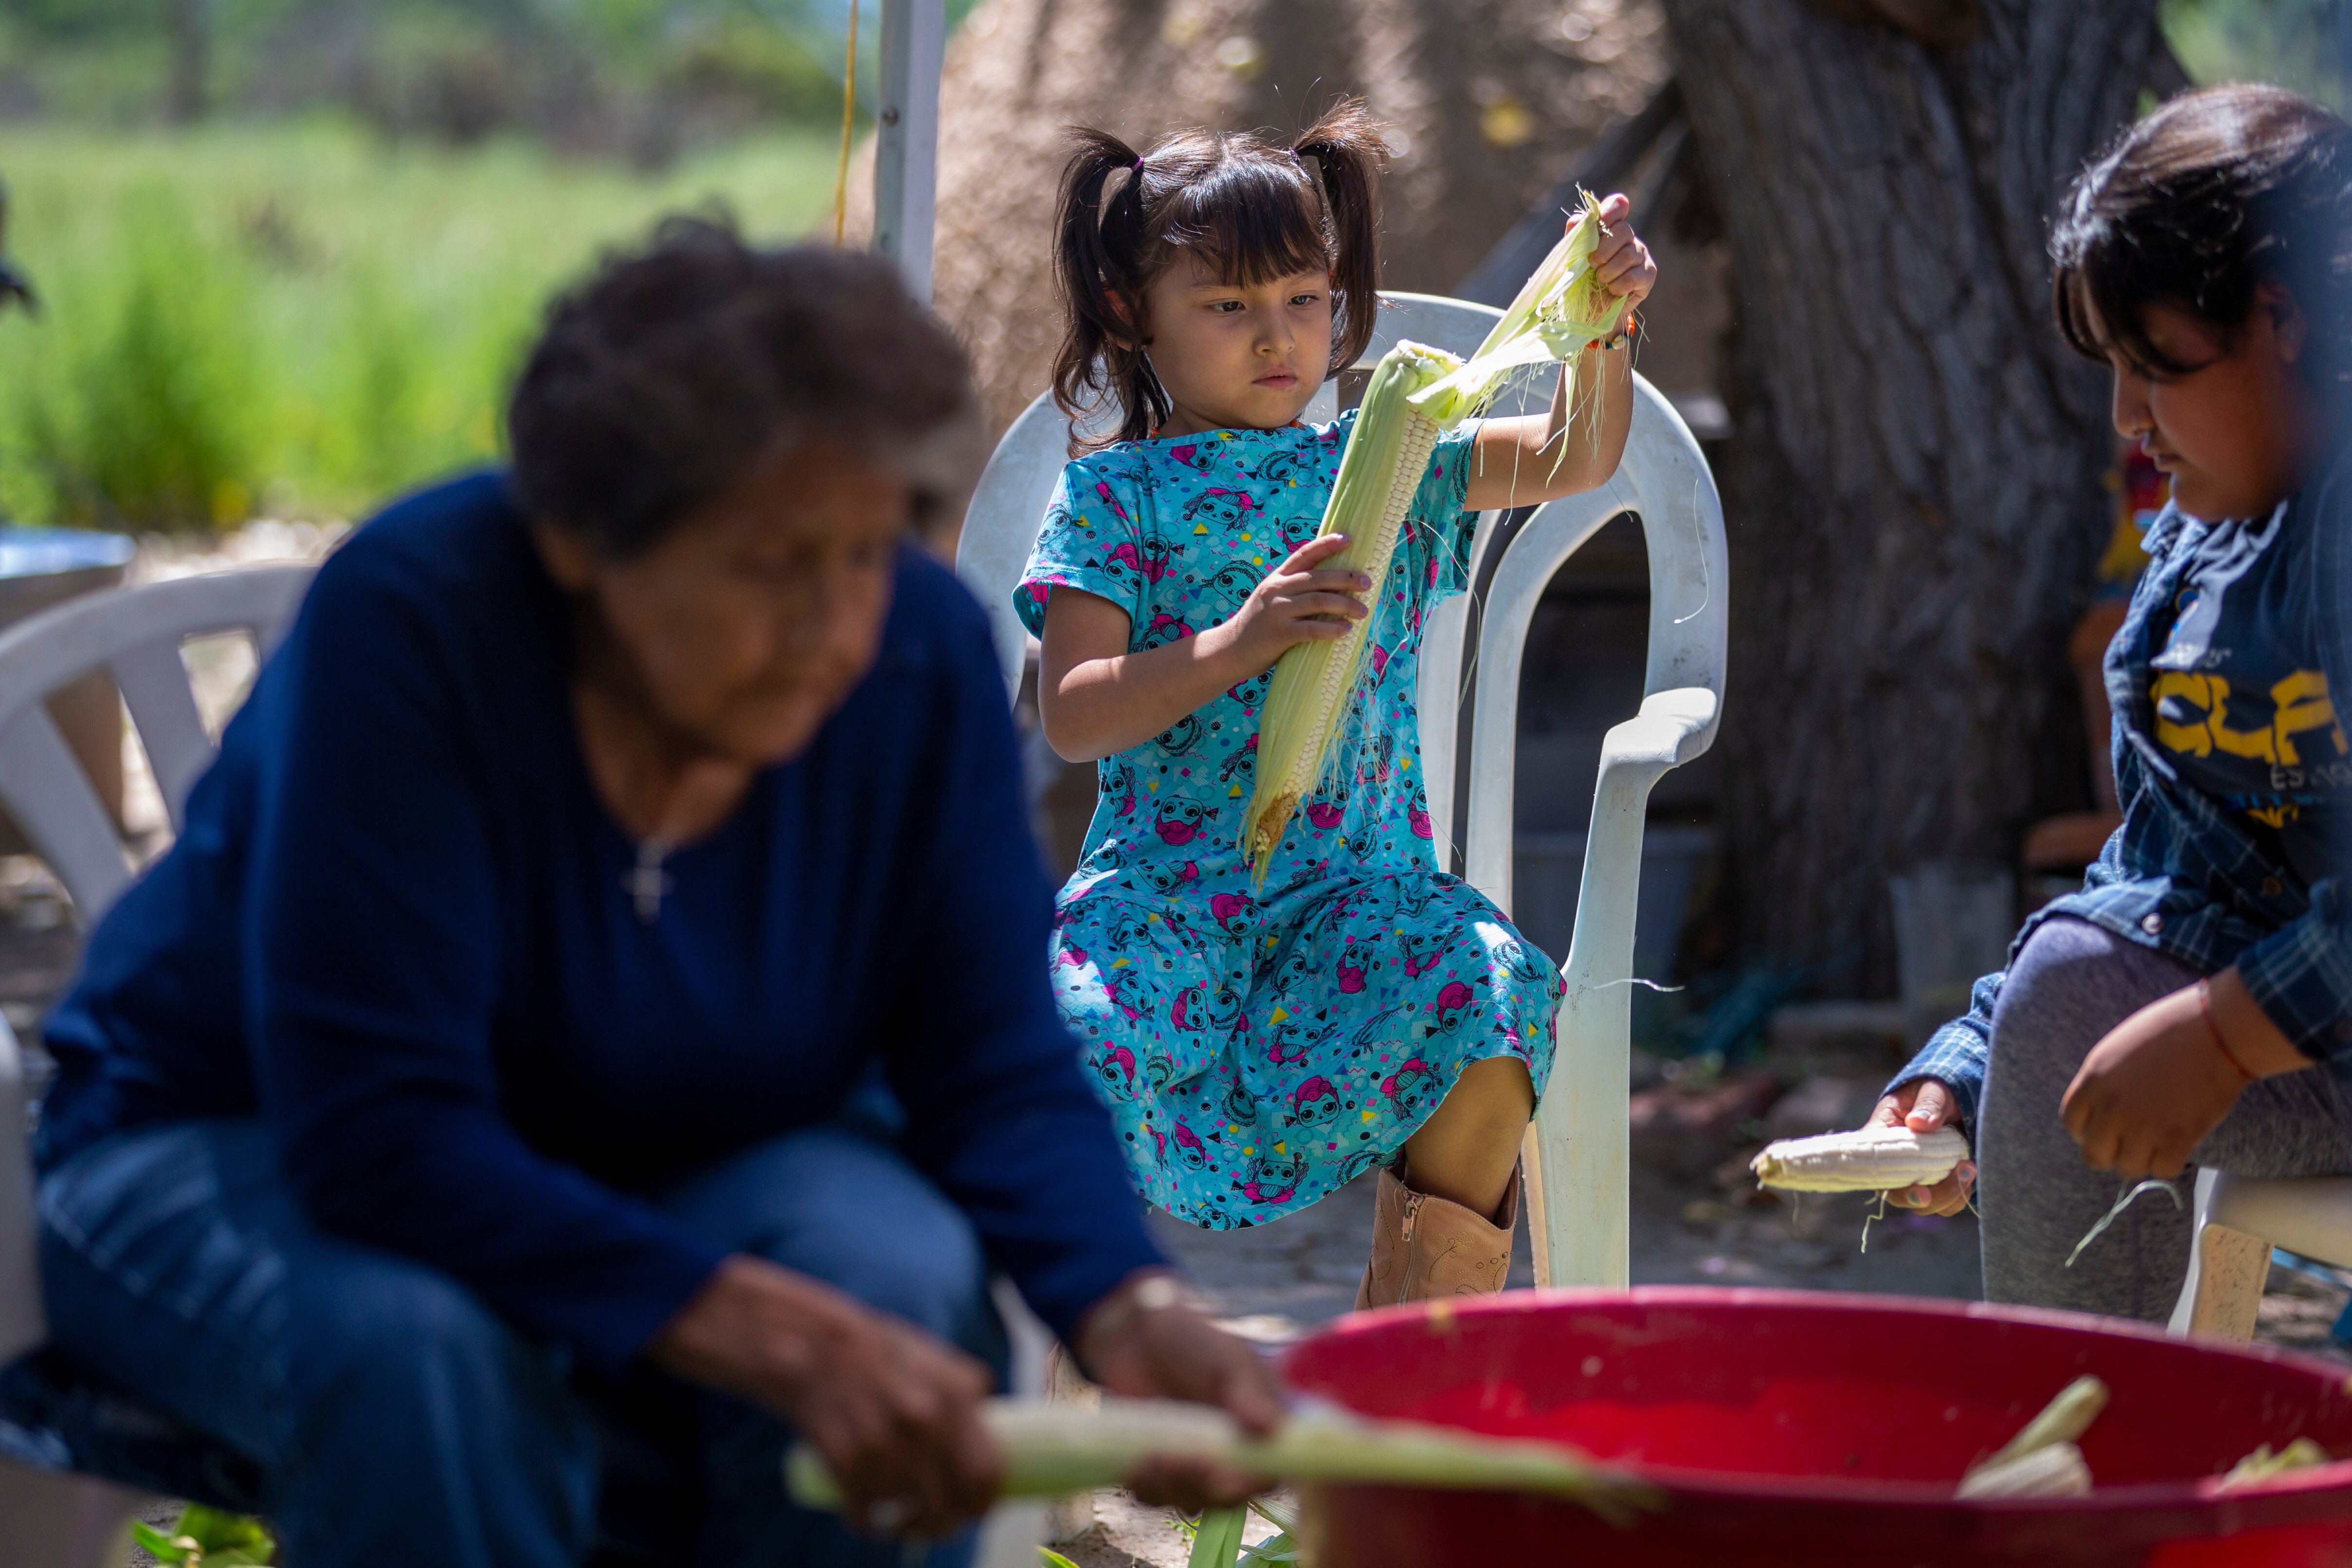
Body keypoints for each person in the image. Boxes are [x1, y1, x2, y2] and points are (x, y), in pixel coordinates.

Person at [16, 222, 1279, 1568]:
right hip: (246, 1143)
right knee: (427, 1363)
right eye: (767, 564)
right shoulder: (420, 624)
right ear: (578, 544)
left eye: (862, 553)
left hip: (695, 1148)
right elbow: (376, 1127)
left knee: (897, 1290)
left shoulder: (906, 661)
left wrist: (1124, 1300)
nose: (831, 625)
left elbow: (990, 1064)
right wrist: (747, 1319)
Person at [1015, 100, 1656, 1305]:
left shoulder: (1387, 463)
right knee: (1067, 1042)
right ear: (1126, 312)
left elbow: (1575, 455)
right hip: (1166, 902)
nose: (1279, 337)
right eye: (1228, 306)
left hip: (1356, 901)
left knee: (1487, 998)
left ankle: (1397, 1389)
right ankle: (1080, 1362)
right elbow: (1078, 712)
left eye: (1304, 299)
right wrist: (1236, 641)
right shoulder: (1117, 498)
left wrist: (1603, 322)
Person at [1866, 84, 2352, 1321]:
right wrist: (1975, 1065)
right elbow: (2153, 875)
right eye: (2112, 374)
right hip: (2304, 1041)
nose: (2130, 421)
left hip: (2304, 1026)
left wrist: (2233, 1030)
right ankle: (2077, 1457)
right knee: (2066, 995)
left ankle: (2069, 1460)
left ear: (2285, 320)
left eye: (2158, 367)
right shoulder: (2199, 548)